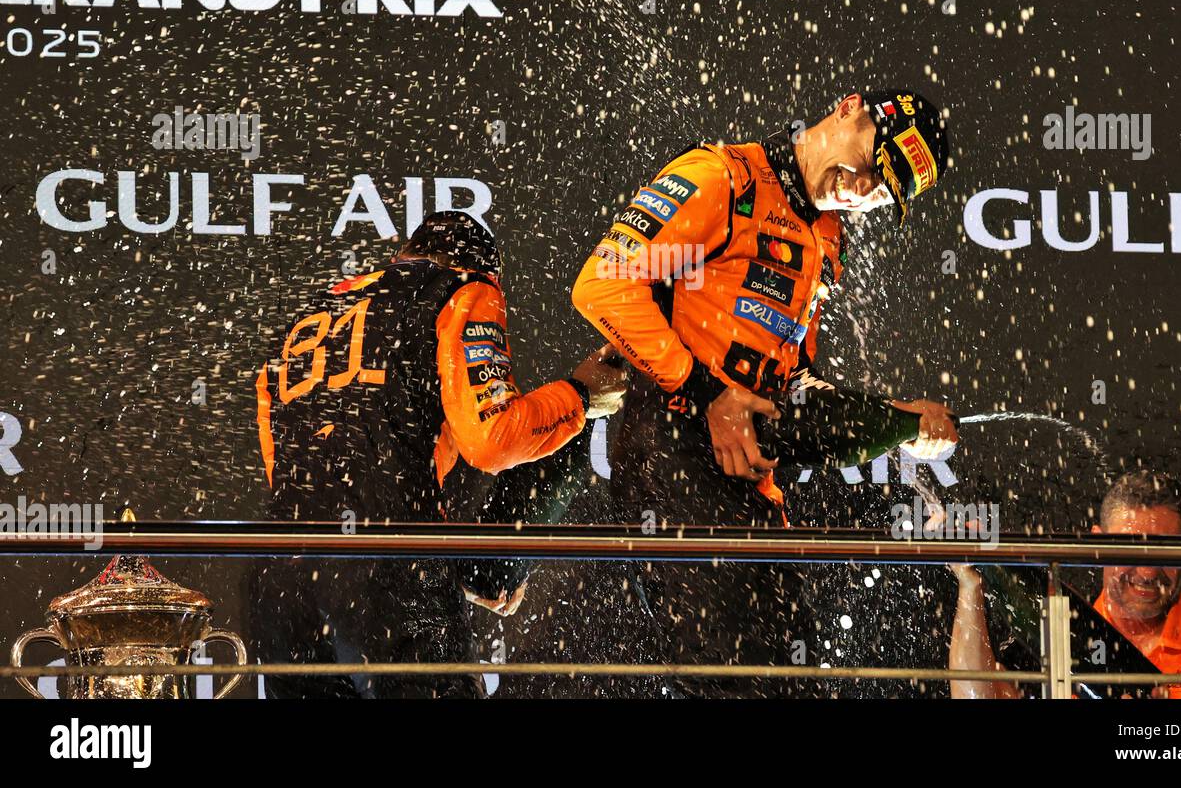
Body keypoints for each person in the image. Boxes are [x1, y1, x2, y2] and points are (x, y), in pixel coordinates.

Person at [570, 89, 959, 694]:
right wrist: (711, 396)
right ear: (850, 109)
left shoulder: (828, 242)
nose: (861, 191)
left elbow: (795, 381)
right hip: (671, 446)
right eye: (870, 166)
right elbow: (602, 287)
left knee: (787, 673)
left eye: (883, 194)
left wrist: (896, 417)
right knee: (747, 674)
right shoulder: (721, 178)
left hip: (744, 468)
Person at [251, 211, 625, 697]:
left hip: (278, 583)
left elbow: (285, 463)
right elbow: (492, 440)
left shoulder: (309, 315)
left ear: (402, 255)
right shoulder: (461, 290)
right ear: (487, 272)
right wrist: (579, 396)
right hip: (393, 569)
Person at [949, 469, 1181, 699]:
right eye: (1129, 550)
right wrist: (970, 582)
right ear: (1097, 548)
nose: (1148, 573)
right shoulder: (1057, 632)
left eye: (1165, 551)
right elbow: (975, 695)